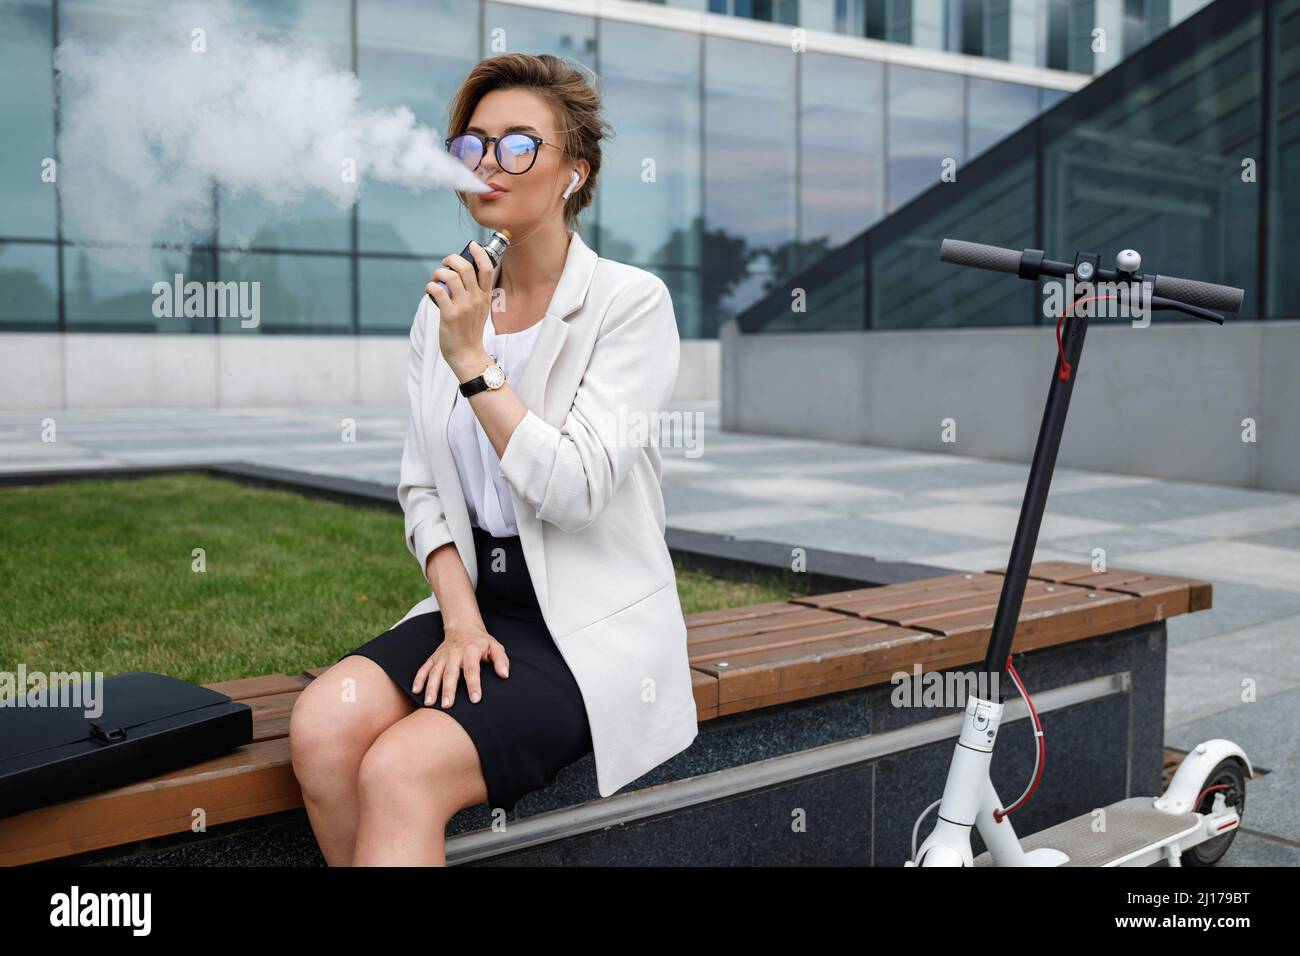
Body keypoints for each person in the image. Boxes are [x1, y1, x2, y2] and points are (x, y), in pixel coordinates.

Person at [289, 53, 698, 866]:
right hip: (478, 603)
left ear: (574, 174)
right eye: (473, 145)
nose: (488, 164)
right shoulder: (446, 303)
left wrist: (476, 362)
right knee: (323, 726)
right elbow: (419, 485)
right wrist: (462, 619)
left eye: (518, 146)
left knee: (403, 769)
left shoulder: (629, 304)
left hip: (588, 622)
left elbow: (575, 491)